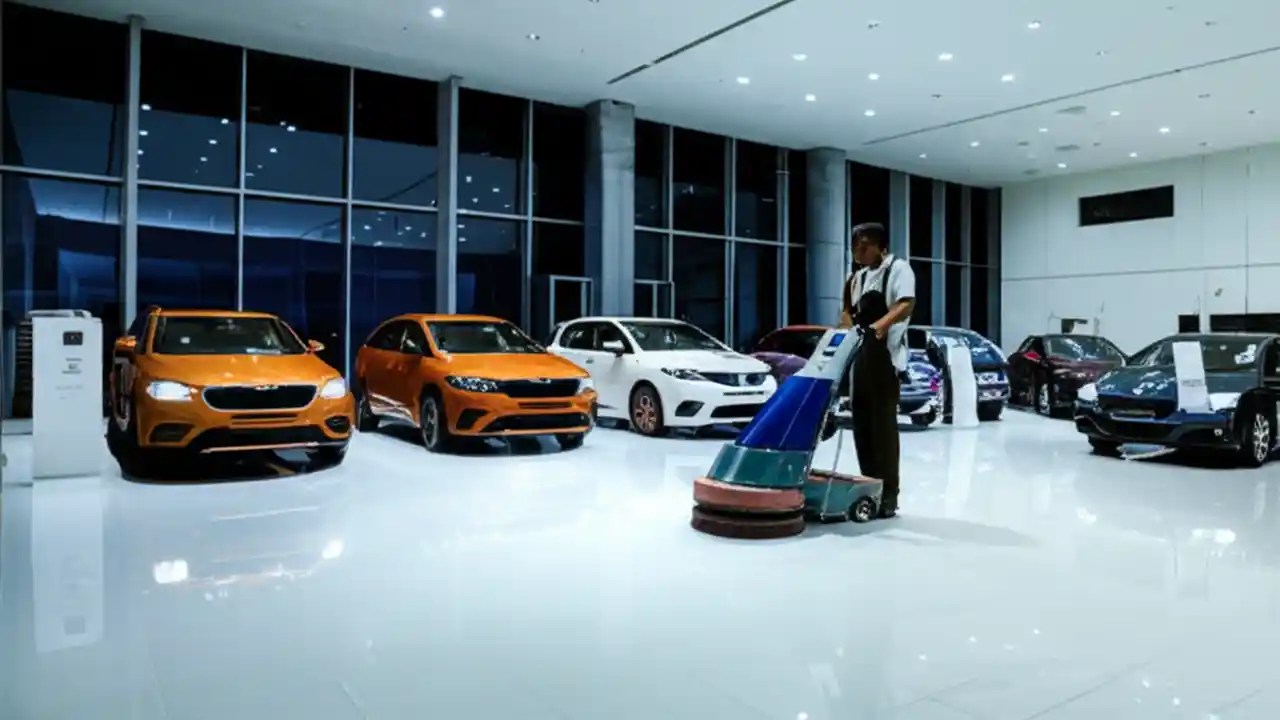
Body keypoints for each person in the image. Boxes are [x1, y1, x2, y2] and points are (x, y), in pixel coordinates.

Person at [839, 223, 915, 518]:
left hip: (885, 358)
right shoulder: (855, 278)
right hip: (860, 355)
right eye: (855, 245)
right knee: (862, 425)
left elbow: (906, 303)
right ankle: (868, 487)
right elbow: (847, 310)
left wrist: (881, 325)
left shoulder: (897, 268)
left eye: (865, 245)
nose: (859, 250)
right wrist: (846, 330)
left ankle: (889, 494)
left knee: (883, 428)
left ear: (881, 246)